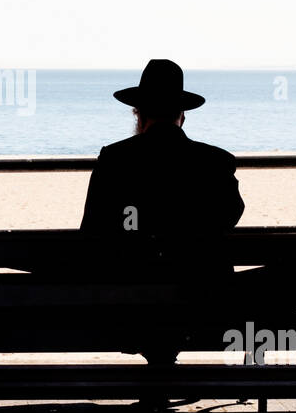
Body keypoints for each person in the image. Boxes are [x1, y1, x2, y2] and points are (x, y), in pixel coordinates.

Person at [81, 58, 244, 374]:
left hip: (129, 317)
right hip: (206, 311)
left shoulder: (114, 160)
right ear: (182, 116)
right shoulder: (216, 162)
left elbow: (92, 232)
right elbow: (229, 216)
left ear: (138, 114)